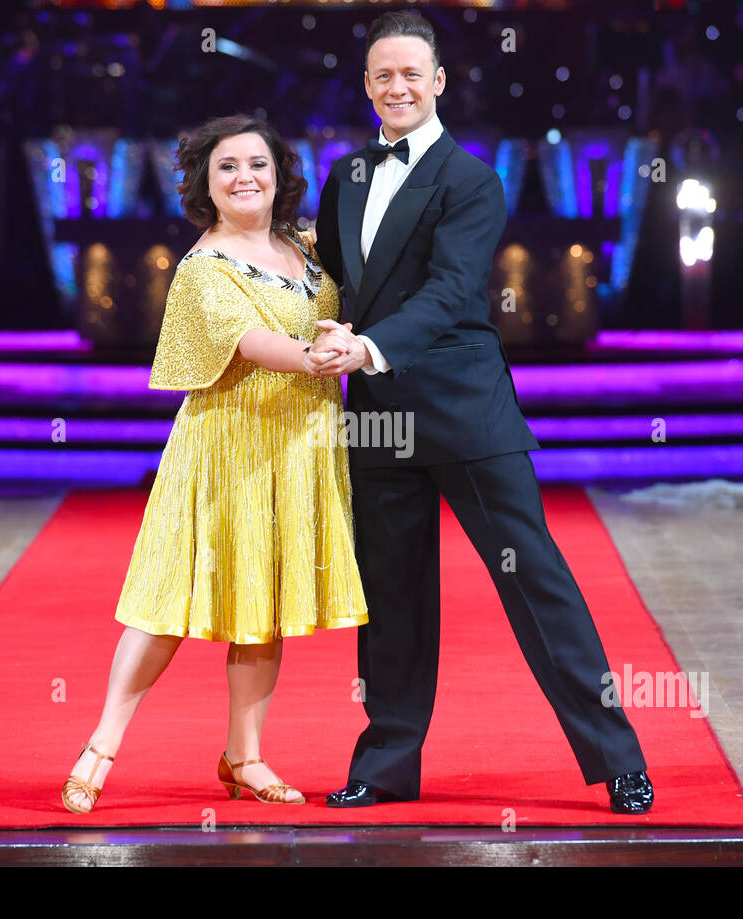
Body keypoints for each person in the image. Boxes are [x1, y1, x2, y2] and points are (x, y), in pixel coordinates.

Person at [310, 11, 654, 813]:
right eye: (381, 75)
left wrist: (368, 347)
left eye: (410, 74)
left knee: (537, 582)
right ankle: (386, 765)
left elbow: (452, 293)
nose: (397, 87)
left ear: (437, 83)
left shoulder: (470, 178)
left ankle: (616, 755)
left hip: (465, 410)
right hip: (377, 417)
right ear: (368, 87)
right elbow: (331, 280)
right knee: (389, 599)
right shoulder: (348, 175)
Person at [61, 115, 367, 813]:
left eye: (257, 163)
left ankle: (245, 757)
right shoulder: (205, 267)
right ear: (205, 184)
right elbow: (256, 341)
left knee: (264, 606)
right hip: (225, 452)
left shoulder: (303, 246)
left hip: (299, 447)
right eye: (226, 167)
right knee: (167, 601)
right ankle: (100, 747)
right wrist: (326, 354)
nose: (244, 178)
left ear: (279, 173)